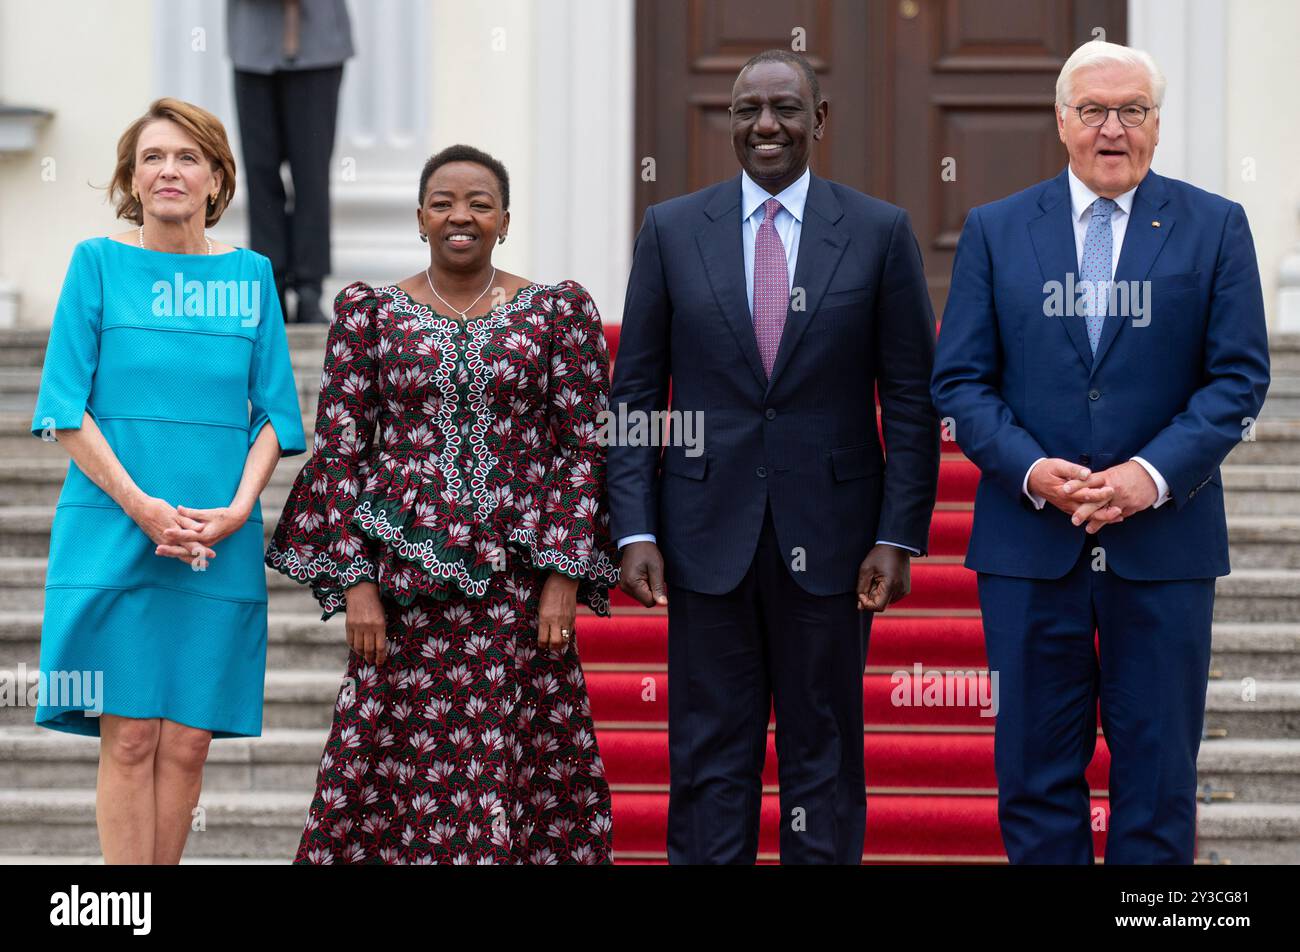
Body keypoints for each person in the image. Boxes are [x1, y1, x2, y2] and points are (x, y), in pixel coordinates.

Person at [931, 40, 1271, 864]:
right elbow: (963, 382)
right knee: (1035, 775)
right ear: (1061, 121)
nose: (1112, 129)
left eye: (1133, 111)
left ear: (1157, 123)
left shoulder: (1216, 227)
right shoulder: (996, 229)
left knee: (1156, 782)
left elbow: (1237, 378)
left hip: (1163, 547)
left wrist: (1147, 476)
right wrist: (1030, 470)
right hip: (1028, 545)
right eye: (1093, 111)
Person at [608, 50, 941, 864]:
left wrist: (899, 534)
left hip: (832, 544)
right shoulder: (673, 230)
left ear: (819, 120)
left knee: (822, 758)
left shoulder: (879, 232)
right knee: (709, 759)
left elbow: (910, 398)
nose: (766, 124)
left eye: (787, 108)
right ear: (729, 121)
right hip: (702, 537)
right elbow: (636, 395)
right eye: (748, 108)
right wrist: (633, 528)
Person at [266, 144, 618, 864]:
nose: (462, 216)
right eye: (444, 203)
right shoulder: (371, 315)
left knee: (513, 766)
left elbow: (583, 448)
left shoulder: (555, 312)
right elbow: (342, 452)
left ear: (506, 221)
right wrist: (355, 581)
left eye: (480, 204)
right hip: (401, 596)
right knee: (392, 766)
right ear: (420, 218)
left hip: (518, 595)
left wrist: (563, 576)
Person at [30, 97, 305, 863]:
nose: (169, 170)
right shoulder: (97, 265)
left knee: (186, 743)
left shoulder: (252, 277)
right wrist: (143, 508)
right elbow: (64, 410)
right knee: (129, 737)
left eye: (188, 157)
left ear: (217, 178)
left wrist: (239, 508)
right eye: (153, 157)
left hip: (215, 539)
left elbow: (277, 416)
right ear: (132, 178)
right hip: (113, 525)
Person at [227, 0, 353, 323]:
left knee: (312, 175)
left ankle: (310, 289)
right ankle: (272, 286)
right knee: (260, 173)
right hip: (252, 46)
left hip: (319, 46)